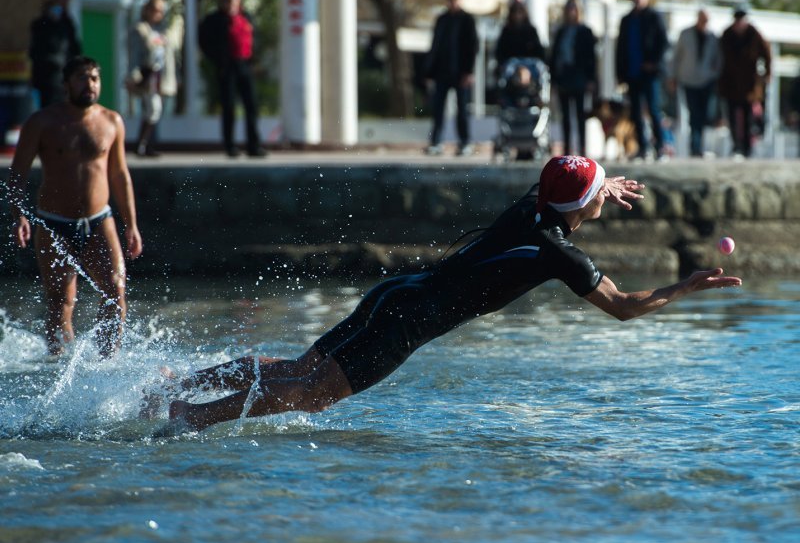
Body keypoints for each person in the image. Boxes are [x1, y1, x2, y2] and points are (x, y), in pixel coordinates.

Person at [160, 155, 742, 434]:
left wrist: (600, 184)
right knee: (311, 394)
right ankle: (192, 416)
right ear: (583, 206)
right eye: (599, 190)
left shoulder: (530, 210)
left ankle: (183, 383)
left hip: (395, 292)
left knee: (293, 368)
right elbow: (621, 306)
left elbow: (562, 186)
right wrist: (684, 287)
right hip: (410, 321)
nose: (604, 197)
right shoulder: (560, 254)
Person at [7, 56, 143, 359]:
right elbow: (17, 174)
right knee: (60, 302)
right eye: (82, 77)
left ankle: (106, 364)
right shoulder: (42, 122)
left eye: (94, 78)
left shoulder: (111, 121)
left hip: (99, 220)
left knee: (115, 291)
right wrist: (19, 216)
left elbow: (120, 175)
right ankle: (57, 367)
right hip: (54, 223)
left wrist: (131, 224)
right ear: (66, 83)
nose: (89, 84)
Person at [199, 0, 266, 158]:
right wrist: (218, 60)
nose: (228, 4)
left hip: (244, 65)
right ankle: (230, 146)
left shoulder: (246, 17)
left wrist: (254, 61)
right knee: (228, 107)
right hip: (226, 67)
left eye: (231, 0)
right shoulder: (213, 20)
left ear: (238, 0)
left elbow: (254, 39)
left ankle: (254, 145)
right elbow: (204, 43)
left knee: (251, 106)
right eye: (225, 0)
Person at [615, 0, 669, 159]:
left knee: (653, 110)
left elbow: (663, 42)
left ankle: (660, 147)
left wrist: (653, 63)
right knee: (635, 113)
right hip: (632, 74)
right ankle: (643, 147)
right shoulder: (627, 19)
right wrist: (620, 73)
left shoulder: (654, 17)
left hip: (649, 74)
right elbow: (621, 48)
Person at [424, 0, 479, 156]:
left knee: (462, 110)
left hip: (461, 73)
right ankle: (436, 142)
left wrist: (469, 72)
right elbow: (435, 46)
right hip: (442, 72)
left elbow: (472, 47)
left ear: (460, 0)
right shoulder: (442, 19)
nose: (452, 1)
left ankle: (464, 143)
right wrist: (429, 72)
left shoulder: (468, 20)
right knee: (438, 109)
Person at [126, 0, 178, 158]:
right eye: (155, 10)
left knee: (155, 110)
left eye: (161, 11)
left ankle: (148, 144)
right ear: (147, 10)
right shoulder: (140, 29)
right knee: (153, 109)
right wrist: (133, 75)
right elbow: (134, 55)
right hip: (147, 75)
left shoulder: (162, 31)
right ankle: (141, 144)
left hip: (161, 76)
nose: (158, 14)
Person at [718, 8, 771, 158]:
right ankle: (737, 147)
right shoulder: (727, 35)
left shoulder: (754, 34)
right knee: (732, 118)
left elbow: (767, 54)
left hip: (750, 86)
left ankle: (747, 148)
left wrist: (767, 74)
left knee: (749, 118)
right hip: (730, 84)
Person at [670, 10, 721, 158]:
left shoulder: (712, 37)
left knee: (704, 114)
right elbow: (676, 57)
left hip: (706, 81)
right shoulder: (685, 34)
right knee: (693, 114)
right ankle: (694, 146)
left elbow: (718, 59)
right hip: (688, 80)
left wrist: (714, 74)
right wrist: (672, 76)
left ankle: (699, 145)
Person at [550, 0, 597, 157]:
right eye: (569, 8)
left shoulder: (586, 31)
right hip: (564, 78)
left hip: (580, 78)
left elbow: (591, 58)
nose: (571, 12)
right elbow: (554, 56)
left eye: (574, 8)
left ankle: (583, 149)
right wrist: (554, 79)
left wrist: (591, 79)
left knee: (580, 115)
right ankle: (567, 149)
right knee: (565, 117)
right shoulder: (561, 31)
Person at [28, 0, 82, 108]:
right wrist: (51, 21)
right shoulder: (44, 21)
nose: (66, 1)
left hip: (64, 72)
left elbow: (74, 46)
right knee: (51, 107)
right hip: (48, 74)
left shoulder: (67, 20)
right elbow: (39, 46)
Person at [495, 0, 545, 71]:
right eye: (515, 12)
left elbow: (539, 50)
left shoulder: (531, 30)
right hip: (511, 63)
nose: (517, 15)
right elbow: (500, 51)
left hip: (529, 63)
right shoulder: (507, 31)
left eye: (520, 12)